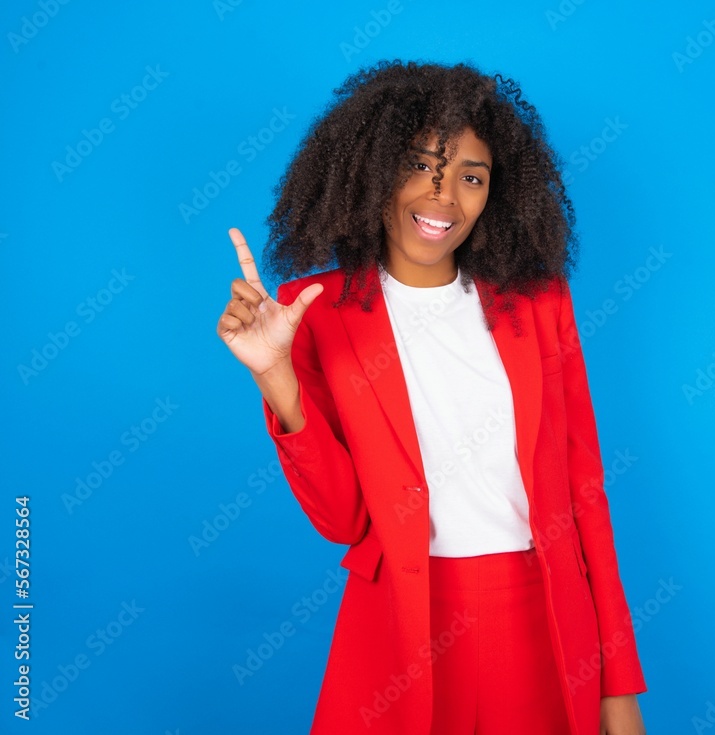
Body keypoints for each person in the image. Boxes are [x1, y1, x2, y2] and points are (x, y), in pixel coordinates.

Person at [217, 59, 647, 735]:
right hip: (400, 621)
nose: (443, 196)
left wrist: (619, 689)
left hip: (539, 619)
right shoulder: (317, 311)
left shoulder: (539, 304)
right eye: (419, 165)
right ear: (373, 171)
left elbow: (586, 493)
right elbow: (343, 518)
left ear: (495, 194)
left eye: (471, 176)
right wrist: (273, 374)